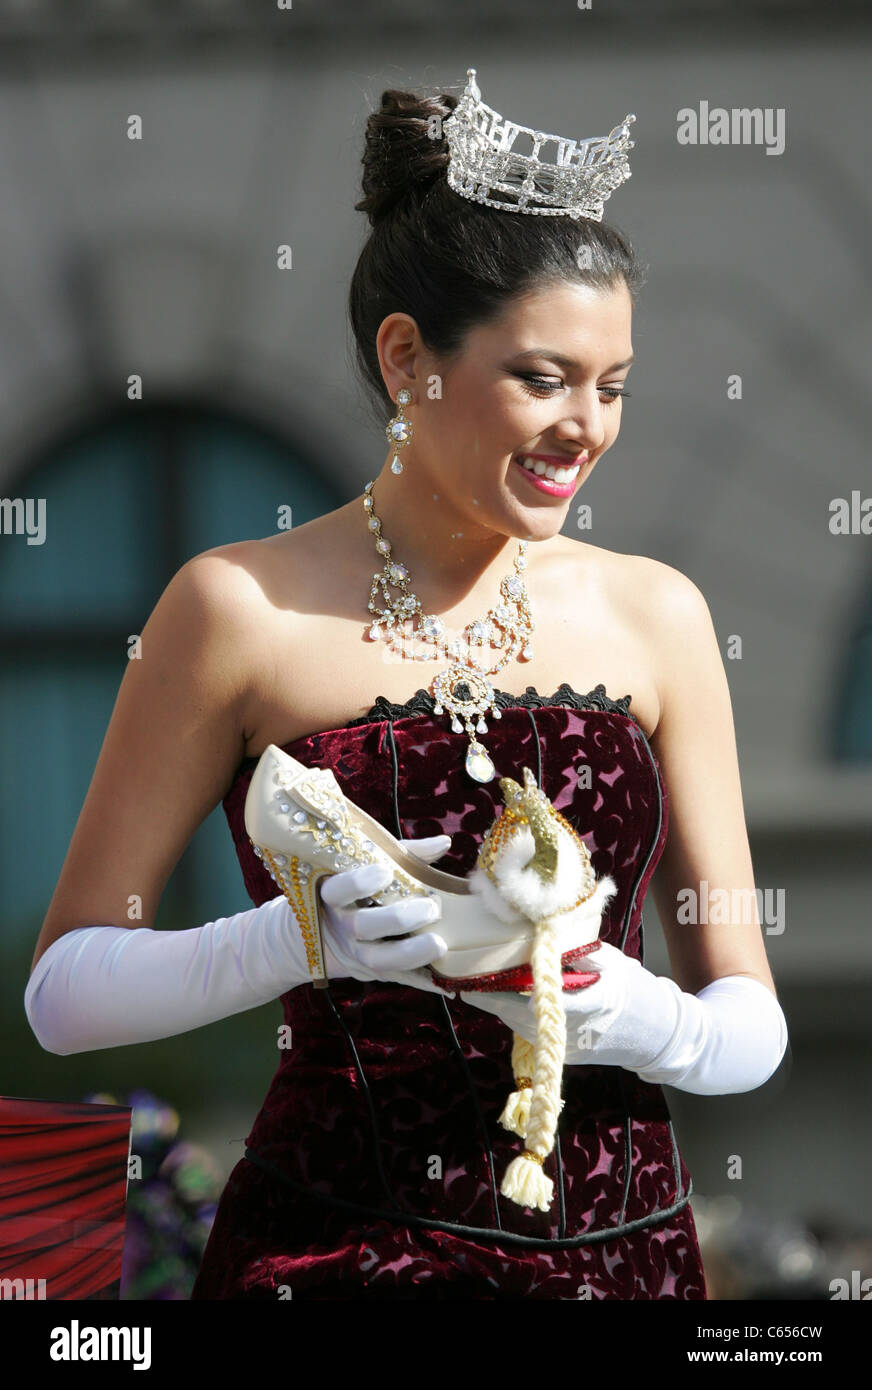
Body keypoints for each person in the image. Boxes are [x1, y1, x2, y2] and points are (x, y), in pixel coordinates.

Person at [24, 69, 787, 1300]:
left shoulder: (658, 614)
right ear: (405, 358)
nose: (584, 425)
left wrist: (655, 1021)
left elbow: (748, 1021)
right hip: (336, 1252)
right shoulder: (233, 605)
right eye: (542, 377)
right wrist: (287, 940)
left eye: (613, 385)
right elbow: (63, 995)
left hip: (623, 1264)